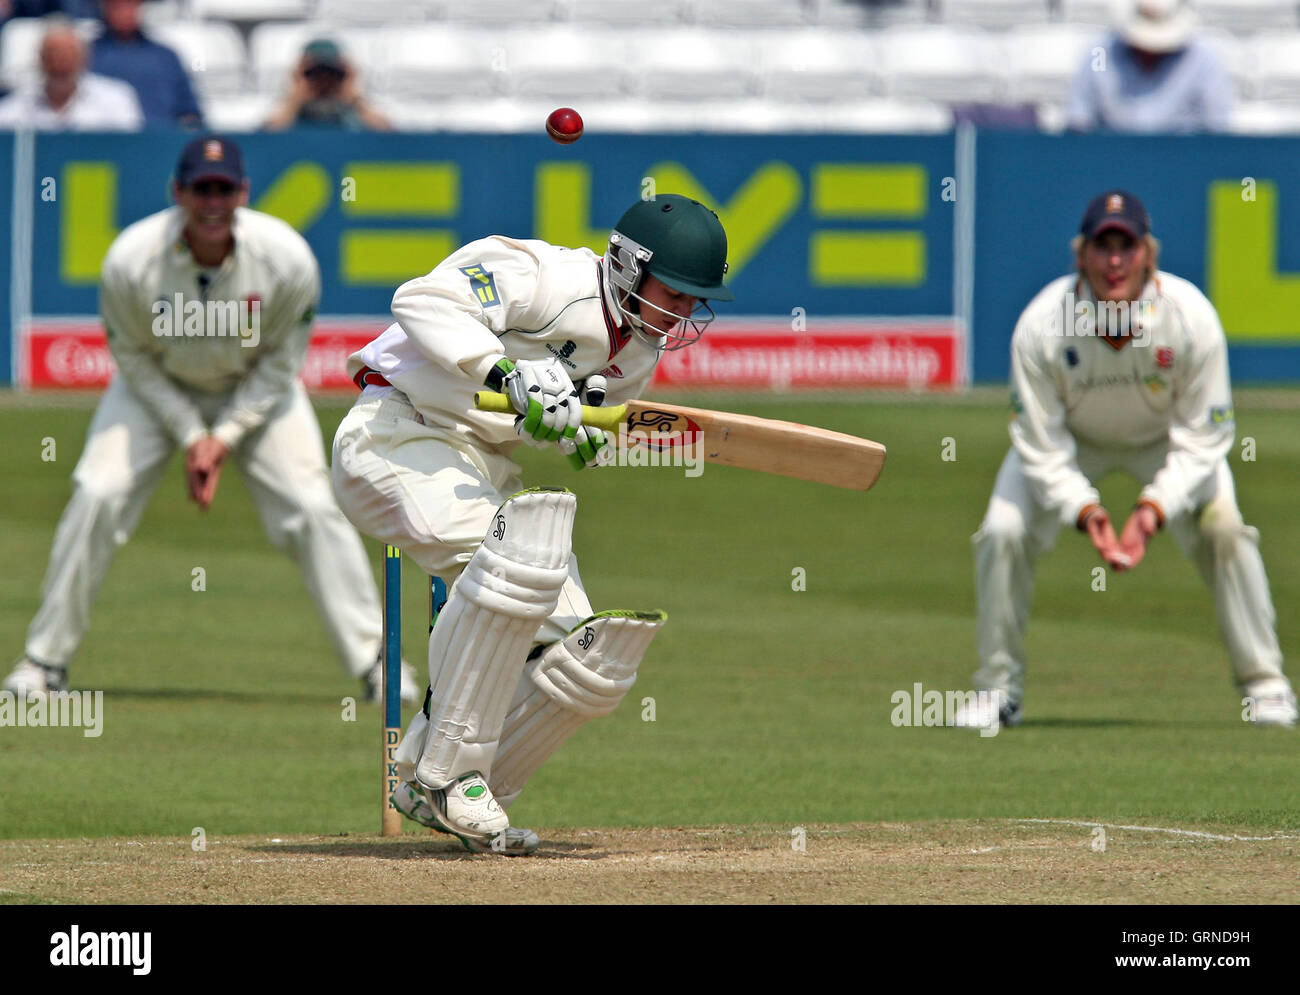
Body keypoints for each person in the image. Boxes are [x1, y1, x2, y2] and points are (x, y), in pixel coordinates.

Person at [331, 194, 733, 853]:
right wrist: (506, 371)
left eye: (696, 300)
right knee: (519, 566)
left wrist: (572, 431)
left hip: (483, 467)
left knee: (587, 657)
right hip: (397, 435)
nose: (683, 312)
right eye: (675, 292)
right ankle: (447, 773)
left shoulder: (635, 357)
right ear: (629, 268)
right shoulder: (544, 276)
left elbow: (560, 420)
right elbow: (421, 301)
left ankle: (455, 785)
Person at [4, 134, 417, 705]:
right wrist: (192, 434)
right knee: (96, 493)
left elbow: (281, 365)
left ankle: (379, 666)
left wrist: (221, 437)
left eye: (224, 188)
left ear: (244, 192)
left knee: (312, 507)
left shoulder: (286, 259)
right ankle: (44, 661)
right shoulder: (131, 259)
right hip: (157, 388)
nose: (213, 202)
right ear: (179, 193)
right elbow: (131, 358)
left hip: (253, 391)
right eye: (202, 188)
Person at [958, 189, 1296, 731]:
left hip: (1165, 441)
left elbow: (1205, 436)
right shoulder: (1042, 325)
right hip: (1072, 441)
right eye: (1102, 246)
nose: (1114, 260)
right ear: (1081, 255)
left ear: (1147, 255)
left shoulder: (1191, 319)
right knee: (1002, 530)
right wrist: (1087, 511)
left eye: (1126, 246)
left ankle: (1266, 685)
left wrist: (1152, 509)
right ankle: (999, 690)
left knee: (1226, 529)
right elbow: (1039, 441)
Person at [1066, 0, 1233, 134]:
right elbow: (1079, 122)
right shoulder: (1100, 53)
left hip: (1183, 166)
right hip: (1111, 165)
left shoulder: (1203, 60)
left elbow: (1216, 132)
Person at [0, 18, 141, 130]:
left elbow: (129, 149)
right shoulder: (18, 108)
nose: (60, 64)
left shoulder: (116, 101)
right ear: (41, 59)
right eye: (53, 55)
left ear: (84, 59)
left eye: (68, 56)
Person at [90, 0, 203, 128]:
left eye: (130, 5)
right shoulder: (87, 55)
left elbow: (189, 110)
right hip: (102, 141)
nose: (124, 12)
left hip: (161, 140)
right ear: (104, 8)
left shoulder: (165, 56)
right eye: (117, 6)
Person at [262, 38, 391, 132]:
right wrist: (296, 97)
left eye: (332, 73)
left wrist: (352, 95)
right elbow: (263, 139)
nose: (324, 80)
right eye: (313, 73)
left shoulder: (353, 111)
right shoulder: (290, 112)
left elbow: (390, 137)